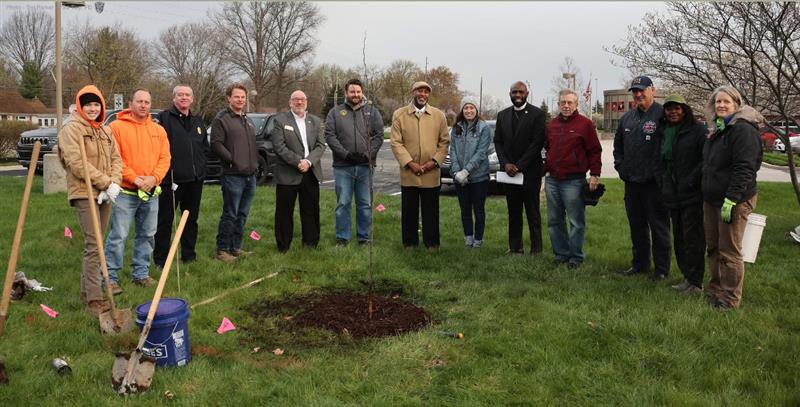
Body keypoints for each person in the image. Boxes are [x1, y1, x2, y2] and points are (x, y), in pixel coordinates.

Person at [58, 85, 122, 315]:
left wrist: (114, 183)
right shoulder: (72, 130)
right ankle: (94, 300)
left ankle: (86, 292)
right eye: (88, 105)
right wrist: (105, 182)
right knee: (94, 244)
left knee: (98, 243)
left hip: (106, 192)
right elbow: (77, 164)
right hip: (84, 191)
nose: (93, 108)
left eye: (96, 104)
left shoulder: (105, 130)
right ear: (80, 106)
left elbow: (117, 158)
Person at [702, 86, 763, 310]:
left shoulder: (742, 130)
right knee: (714, 247)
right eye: (718, 102)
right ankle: (716, 290)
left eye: (726, 101)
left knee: (729, 251)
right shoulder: (720, 129)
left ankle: (730, 299)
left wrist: (732, 198)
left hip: (733, 200)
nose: (721, 105)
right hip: (712, 198)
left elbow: (745, 168)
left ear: (736, 104)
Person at [105, 89, 171, 290]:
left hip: (151, 192)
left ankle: (141, 273)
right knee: (118, 236)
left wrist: (154, 178)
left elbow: (165, 158)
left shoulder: (158, 130)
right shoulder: (116, 127)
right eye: (139, 101)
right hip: (126, 192)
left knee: (148, 234)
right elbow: (115, 159)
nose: (143, 105)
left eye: (147, 102)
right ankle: (110, 278)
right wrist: (135, 179)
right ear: (130, 103)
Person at [613, 75, 671, 280]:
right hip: (632, 182)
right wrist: (620, 167)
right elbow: (618, 146)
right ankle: (640, 264)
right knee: (637, 226)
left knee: (659, 227)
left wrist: (661, 175)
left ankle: (662, 270)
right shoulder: (627, 118)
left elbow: (670, 148)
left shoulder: (663, 116)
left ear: (652, 90)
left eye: (642, 90)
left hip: (655, 184)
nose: (638, 94)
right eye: (635, 91)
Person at [544, 89, 602, 267]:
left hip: (574, 181)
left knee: (576, 221)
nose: (566, 106)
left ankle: (576, 257)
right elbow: (547, 150)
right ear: (558, 104)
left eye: (570, 102)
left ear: (576, 104)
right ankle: (561, 254)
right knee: (554, 220)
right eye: (563, 102)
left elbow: (594, 151)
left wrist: (595, 174)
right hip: (552, 180)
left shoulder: (585, 125)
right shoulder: (551, 125)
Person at [390, 81, 449, 250]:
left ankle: (432, 243)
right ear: (413, 92)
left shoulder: (438, 115)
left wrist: (434, 162)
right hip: (409, 172)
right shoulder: (399, 114)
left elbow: (444, 142)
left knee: (431, 210)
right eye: (419, 91)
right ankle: (410, 243)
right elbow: (396, 142)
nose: (422, 94)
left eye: (425, 92)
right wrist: (410, 163)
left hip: (431, 172)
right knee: (409, 210)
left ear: (428, 95)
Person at [153, 85, 207, 268]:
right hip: (171, 180)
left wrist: (201, 168)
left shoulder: (198, 121)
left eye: (187, 95)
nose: (184, 98)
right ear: (174, 98)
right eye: (180, 95)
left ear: (192, 99)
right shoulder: (163, 119)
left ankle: (189, 256)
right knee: (165, 221)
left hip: (195, 180)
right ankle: (161, 260)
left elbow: (203, 147)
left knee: (191, 220)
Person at [325, 78, 384, 246]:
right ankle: (342, 238)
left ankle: (363, 237)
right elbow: (330, 135)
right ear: (346, 93)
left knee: (364, 203)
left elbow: (379, 135)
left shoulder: (372, 112)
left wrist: (367, 155)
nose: (355, 94)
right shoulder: (335, 112)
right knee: (343, 203)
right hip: (343, 166)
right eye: (352, 91)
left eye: (358, 91)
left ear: (362, 92)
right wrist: (346, 155)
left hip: (365, 166)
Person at [658, 94, 707, 295]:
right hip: (672, 193)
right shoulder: (665, 131)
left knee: (693, 238)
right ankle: (687, 277)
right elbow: (661, 160)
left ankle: (696, 282)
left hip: (692, 194)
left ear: (685, 109)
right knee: (679, 237)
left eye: (677, 108)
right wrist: (662, 182)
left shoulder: (697, 131)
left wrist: (690, 181)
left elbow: (705, 161)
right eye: (669, 108)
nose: (673, 112)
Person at [494, 81, 547, 254]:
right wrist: (505, 163)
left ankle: (536, 249)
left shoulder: (537, 114)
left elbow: (537, 143)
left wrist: (519, 165)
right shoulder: (502, 115)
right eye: (514, 92)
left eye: (521, 92)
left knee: (533, 212)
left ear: (527, 93)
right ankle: (515, 247)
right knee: (513, 212)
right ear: (509, 93)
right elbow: (498, 142)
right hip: (509, 173)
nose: (517, 95)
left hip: (530, 173)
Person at [271, 90, 326, 252]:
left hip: (311, 173)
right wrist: (298, 162)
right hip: (288, 174)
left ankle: (310, 244)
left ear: (306, 101)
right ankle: (283, 246)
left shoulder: (315, 121)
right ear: (290, 102)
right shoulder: (280, 121)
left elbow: (321, 145)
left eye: (302, 99)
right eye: (296, 100)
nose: (299, 102)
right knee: (284, 212)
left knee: (310, 210)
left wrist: (308, 161)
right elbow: (279, 146)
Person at [211, 84, 258, 262]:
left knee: (242, 213)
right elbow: (216, 144)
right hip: (232, 175)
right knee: (230, 213)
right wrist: (232, 159)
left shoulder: (247, 119)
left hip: (250, 176)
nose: (240, 100)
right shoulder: (221, 119)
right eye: (237, 97)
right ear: (229, 98)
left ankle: (235, 247)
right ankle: (222, 250)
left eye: (243, 97)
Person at [449, 96, 492, 248]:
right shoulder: (456, 128)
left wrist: (466, 171)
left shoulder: (483, 128)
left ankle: (478, 240)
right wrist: (456, 172)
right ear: (462, 109)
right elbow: (452, 150)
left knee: (478, 210)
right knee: (465, 209)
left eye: (471, 107)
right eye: (466, 107)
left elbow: (481, 153)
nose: (468, 110)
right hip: (459, 177)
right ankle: (468, 237)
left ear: (476, 109)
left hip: (478, 177)